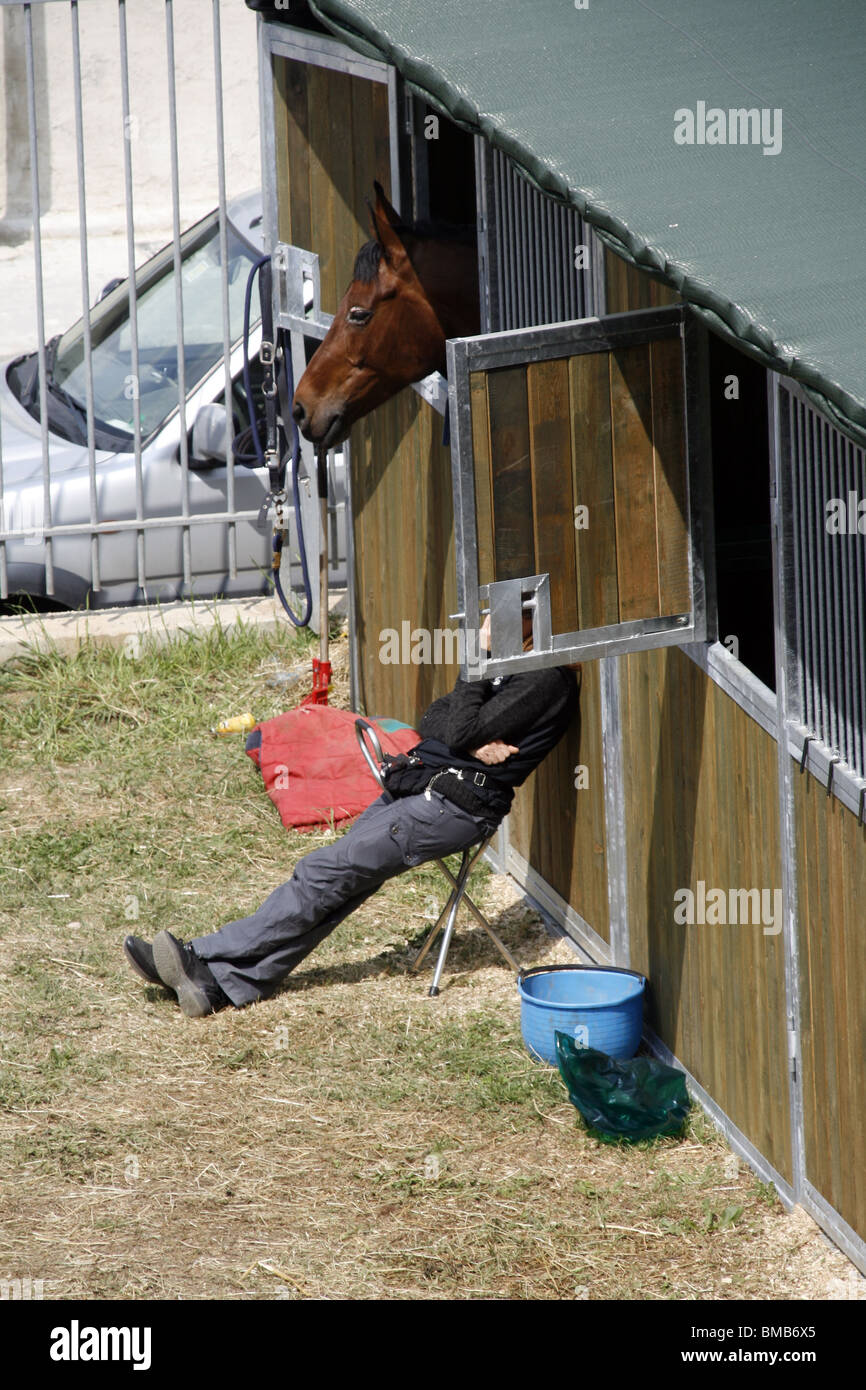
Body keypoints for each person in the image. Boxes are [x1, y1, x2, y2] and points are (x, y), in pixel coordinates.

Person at [123, 615, 579, 1016]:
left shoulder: (544, 677)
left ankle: (197, 953)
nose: (486, 622)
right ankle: (222, 985)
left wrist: (475, 672)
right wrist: (470, 740)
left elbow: (456, 726)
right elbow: (435, 718)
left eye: (500, 614)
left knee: (322, 872)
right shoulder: (506, 669)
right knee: (339, 881)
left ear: (531, 622)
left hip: (452, 805)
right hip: (424, 787)